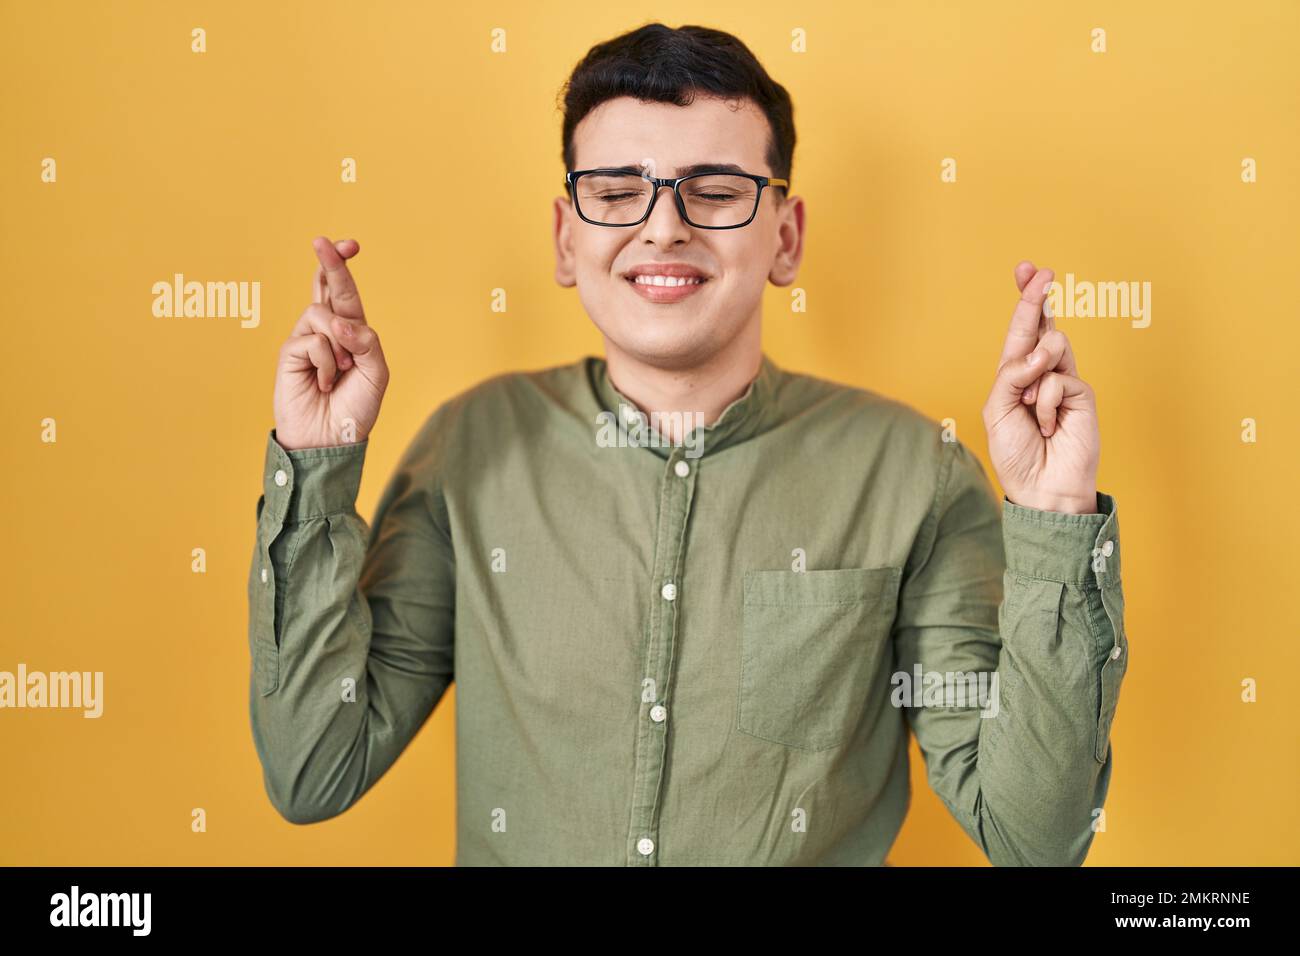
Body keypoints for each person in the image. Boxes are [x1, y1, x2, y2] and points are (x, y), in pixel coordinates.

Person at [247, 22, 1127, 866]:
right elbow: (314, 769)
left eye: (713, 190)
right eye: (618, 191)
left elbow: (1034, 838)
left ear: (786, 237)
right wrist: (315, 469)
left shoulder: (913, 470)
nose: (664, 228)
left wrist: (1054, 520)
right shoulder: (468, 448)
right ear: (566, 238)